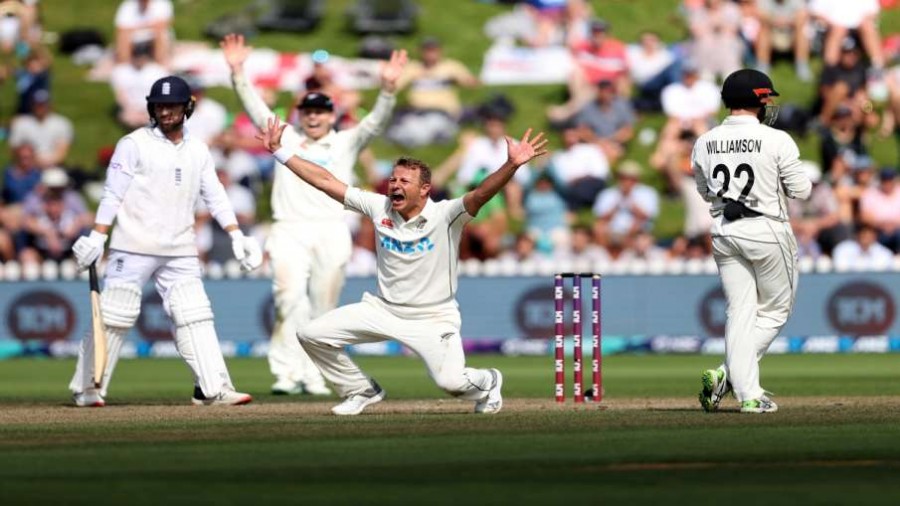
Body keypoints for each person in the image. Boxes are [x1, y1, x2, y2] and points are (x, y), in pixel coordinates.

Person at [257, 117, 547, 416]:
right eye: (393, 180)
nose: (394, 185)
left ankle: (488, 382)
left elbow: (482, 193)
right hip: (382, 309)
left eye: (403, 181)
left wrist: (512, 165)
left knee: (452, 384)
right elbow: (326, 181)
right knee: (311, 334)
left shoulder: (446, 215)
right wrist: (280, 151)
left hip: (432, 317)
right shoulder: (378, 206)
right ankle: (360, 389)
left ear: (424, 190)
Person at [220, 33, 406, 396]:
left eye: (320, 112)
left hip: (332, 228)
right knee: (288, 299)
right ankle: (286, 374)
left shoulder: (346, 140)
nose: (314, 117)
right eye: (308, 112)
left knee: (324, 305)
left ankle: (316, 374)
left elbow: (377, 123)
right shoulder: (287, 137)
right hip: (289, 228)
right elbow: (257, 108)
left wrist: (387, 90)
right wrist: (239, 72)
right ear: (300, 115)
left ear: (332, 115)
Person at [67, 75, 263, 408]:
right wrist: (99, 235)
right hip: (133, 244)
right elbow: (113, 192)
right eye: (159, 105)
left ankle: (213, 389)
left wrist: (236, 233)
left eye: (172, 105)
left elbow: (214, 194)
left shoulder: (198, 148)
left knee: (195, 313)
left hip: (180, 248)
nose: (165, 111)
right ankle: (88, 388)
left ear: (188, 107)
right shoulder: (133, 143)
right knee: (115, 313)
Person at [693, 69, 811, 414]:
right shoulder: (776, 139)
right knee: (774, 311)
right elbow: (801, 191)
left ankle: (740, 387)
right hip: (767, 229)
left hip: (724, 230)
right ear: (758, 100)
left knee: (739, 313)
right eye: (766, 98)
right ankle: (738, 385)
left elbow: (704, 192)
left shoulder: (704, 140)